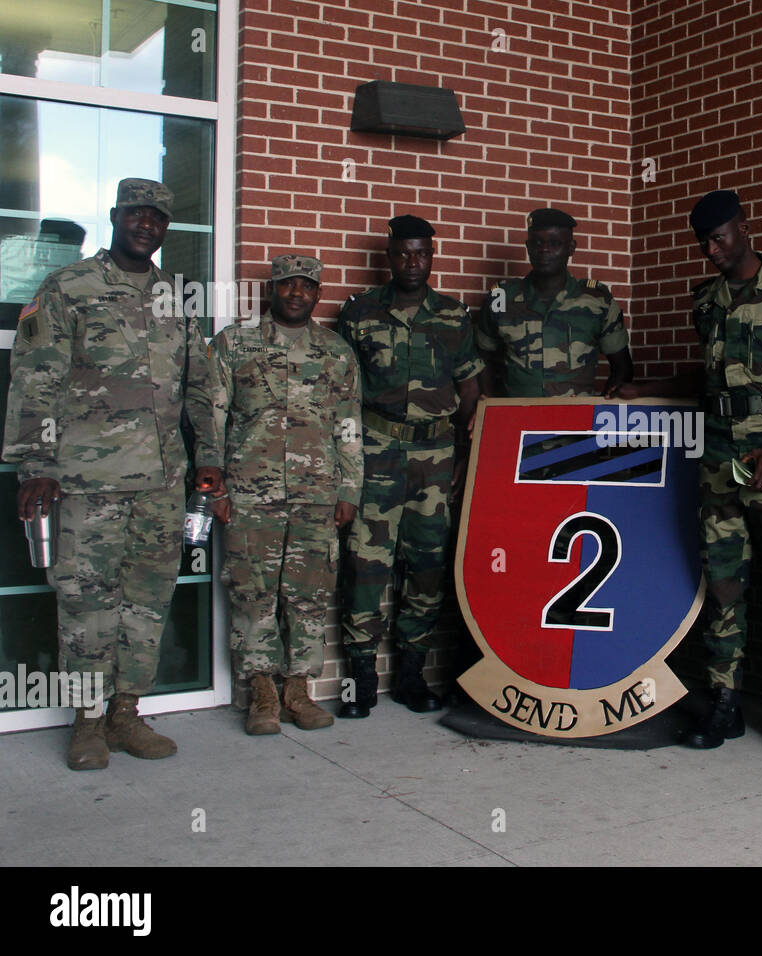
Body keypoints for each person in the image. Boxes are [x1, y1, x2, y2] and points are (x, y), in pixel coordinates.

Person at [3, 177, 222, 769]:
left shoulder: (174, 298)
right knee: (85, 604)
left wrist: (209, 459)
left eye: (156, 217)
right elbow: (36, 377)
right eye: (135, 214)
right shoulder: (68, 287)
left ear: (165, 228)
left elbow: (202, 386)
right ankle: (87, 723)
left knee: (148, 602)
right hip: (85, 483)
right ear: (115, 216)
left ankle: (127, 712)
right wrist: (37, 463)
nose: (145, 224)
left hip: (160, 484)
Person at [616, 189, 762, 753]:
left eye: (720, 237)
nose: (712, 249)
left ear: (744, 228)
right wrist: (644, 390)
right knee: (724, 587)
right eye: (704, 242)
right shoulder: (706, 301)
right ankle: (724, 705)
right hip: (720, 463)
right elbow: (708, 381)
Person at [336, 215, 482, 718]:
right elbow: (343, 391)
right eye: (403, 254)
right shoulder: (359, 314)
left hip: (435, 460)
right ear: (389, 257)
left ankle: (410, 676)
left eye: (421, 253)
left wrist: (461, 455)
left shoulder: (453, 315)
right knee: (364, 566)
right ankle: (359, 681)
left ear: (431, 256)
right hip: (375, 452)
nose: (412, 262)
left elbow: (470, 388)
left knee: (426, 565)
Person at [209, 254, 362, 735]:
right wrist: (214, 486)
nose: (296, 293)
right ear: (271, 289)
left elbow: (349, 425)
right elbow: (212, 417)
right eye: (287, 284)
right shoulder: (235, 344)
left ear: (319, 294)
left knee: (310, 595)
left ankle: (299, 690)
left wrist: (350, 488)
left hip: (317, 493)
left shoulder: (336, 352)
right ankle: (261, 693)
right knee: (253, 594)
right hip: (250, 493)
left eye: (307, 286)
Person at [477, 207, 634, 397]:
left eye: (554, 243)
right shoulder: (501, 297)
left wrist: (602, 408)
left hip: (576, 419)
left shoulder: (597, 300)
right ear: (527, 247)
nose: (544, 249)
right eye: (537, 242)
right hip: (515, 417)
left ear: (571, 248)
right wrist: (491, 407)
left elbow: (622, 368)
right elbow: (480, 358)